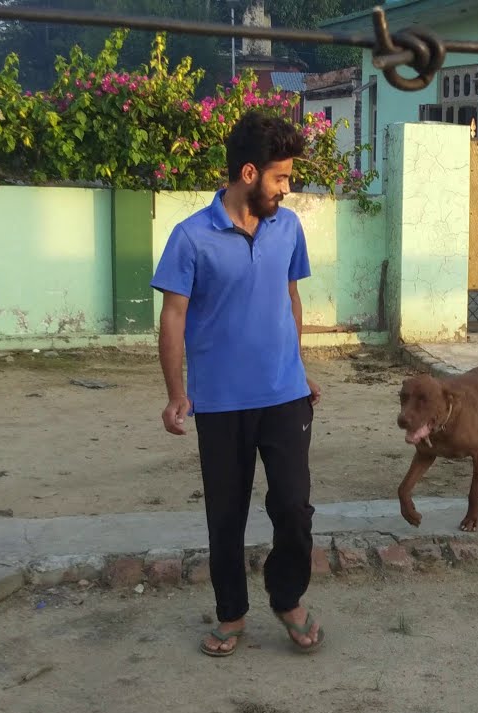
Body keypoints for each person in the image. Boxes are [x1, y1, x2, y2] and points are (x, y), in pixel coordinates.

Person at [150, 111, 325, 658]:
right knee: (225, 516)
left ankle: (287, 598)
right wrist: (176, 393)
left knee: (293, 507)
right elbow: (173, 317)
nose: (287, 188)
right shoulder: (191, 237)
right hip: (221, 403)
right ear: (249, 173)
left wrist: (297, 365)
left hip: (285, 396)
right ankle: (231, 613)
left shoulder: (287, 227)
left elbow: (290, 298)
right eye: (280, 177)